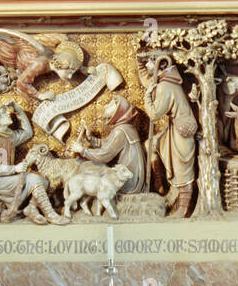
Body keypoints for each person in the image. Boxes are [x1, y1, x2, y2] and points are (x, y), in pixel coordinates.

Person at [0, 101, 65, 224]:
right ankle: (50, 214)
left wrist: (18, 110)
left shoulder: (8, 135)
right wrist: (15, 168)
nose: (8, 114)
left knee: (43, 181)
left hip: (8, 177)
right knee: (33, 179)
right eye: (3, 113)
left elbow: (27, 132)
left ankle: (31, 208)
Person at [142, 52, 198, 218]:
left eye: (150, 63)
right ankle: (160, 184)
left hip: (182, 132)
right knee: (150, 145)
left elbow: (154, 114)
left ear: (161, 65)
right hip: (174, 130)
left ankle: (184, 209)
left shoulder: (166, 86)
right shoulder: (166, 83)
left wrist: (147, 97)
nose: (146, 66)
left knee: (183, 169)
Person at [69, 96, 148, 195]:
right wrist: (90, 138)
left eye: (111, 104)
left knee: (92, 171)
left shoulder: (121, 131)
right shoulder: (125, 128)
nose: (107, 105)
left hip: (129, 181)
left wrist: (82, 150)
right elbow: (107, 144)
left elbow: (105, 155)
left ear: (119, 111)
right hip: (133, 176)